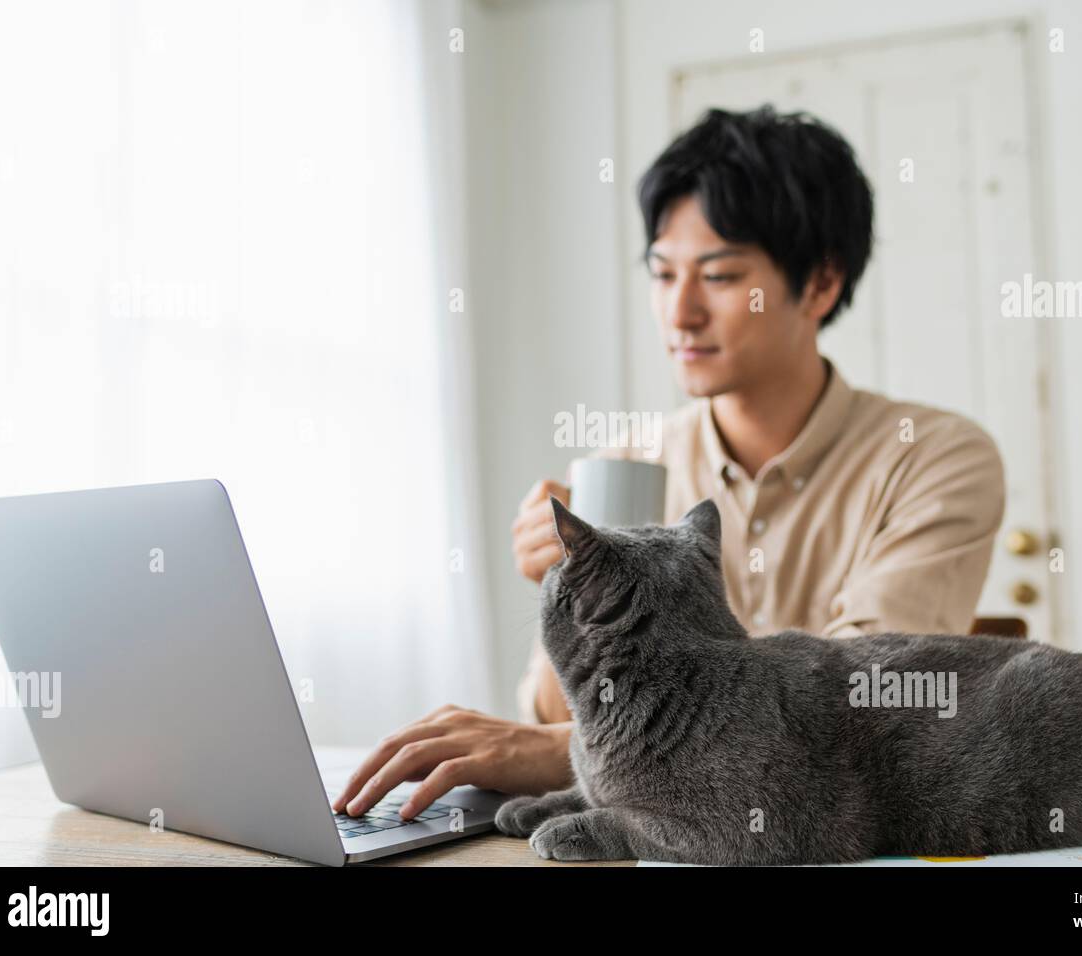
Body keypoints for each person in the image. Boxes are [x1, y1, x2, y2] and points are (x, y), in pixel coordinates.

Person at [331, 105, 1005, 821]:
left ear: (821, 284)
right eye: (661, 275)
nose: (678, 313)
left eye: (718, 277)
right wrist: (569, 591)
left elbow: (854, 705)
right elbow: (558, 708)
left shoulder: (932, 457)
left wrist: (549, 750)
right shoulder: (626, 466)